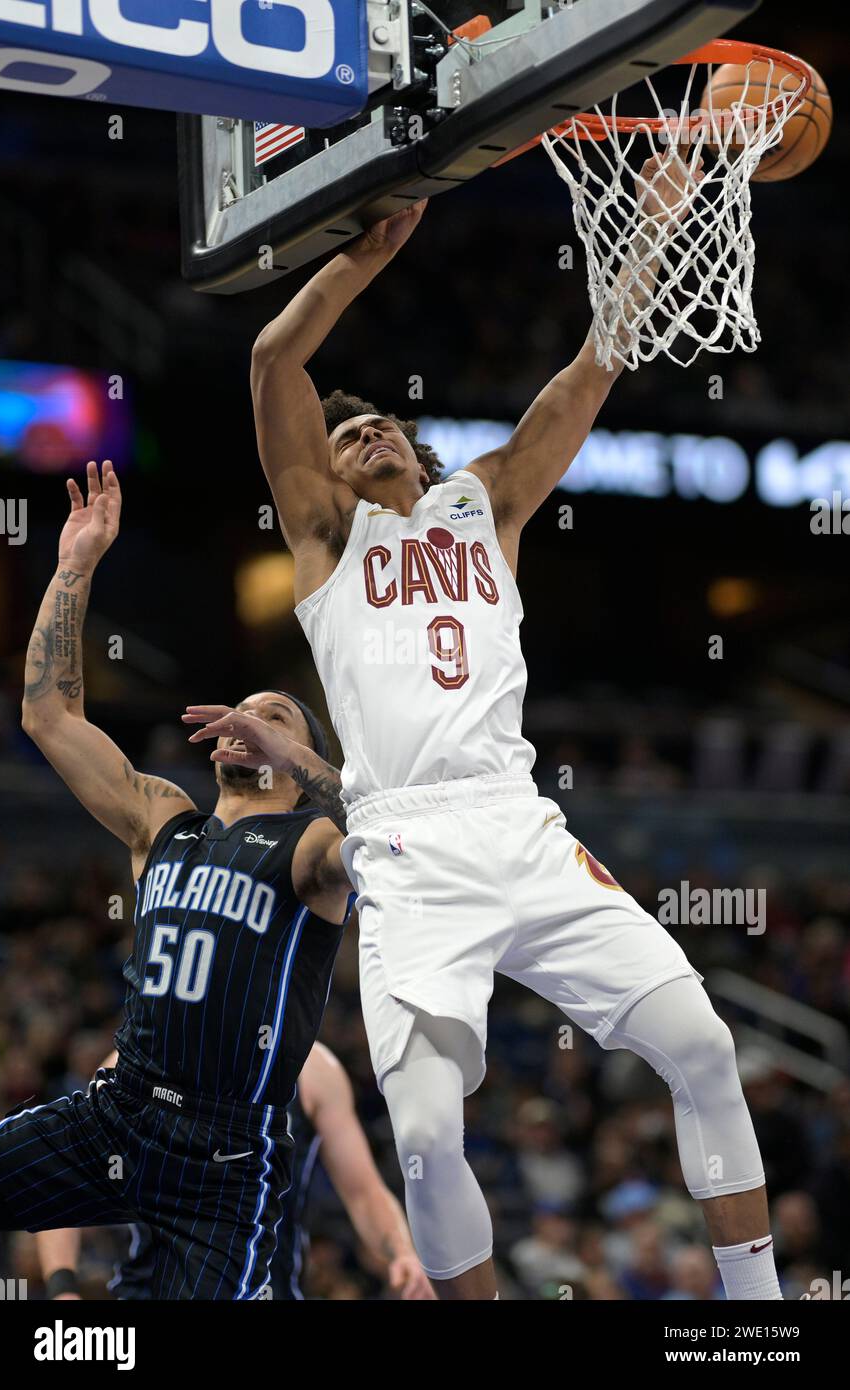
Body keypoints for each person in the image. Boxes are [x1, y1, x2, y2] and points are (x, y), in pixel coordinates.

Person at [238, 155, 782, 1301]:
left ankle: (754, 1313)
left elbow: (589, 371)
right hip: (404, 850)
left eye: (382, 422)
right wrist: (360, 257)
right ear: (322, 482)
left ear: (418, 448)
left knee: (703, 1045)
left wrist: (650, 230)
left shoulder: (481, 504)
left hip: (516, 819)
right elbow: (271, 358)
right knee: (429, 1129)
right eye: (344, 439)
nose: (367, 432)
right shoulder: (329, 546)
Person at [0, 462, 352, 1300]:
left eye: (275, 714)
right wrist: (74, 566)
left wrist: (296, 754)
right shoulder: (164, 820)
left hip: (224, 1161)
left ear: (298, 759)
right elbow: (48, 715)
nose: (248, 721)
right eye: (243, 710)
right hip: (118, 1112)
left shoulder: (311, 848)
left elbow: (387, 832)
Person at [37, 1043, 433, 1301]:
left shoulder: (312, 1070)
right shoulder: (135, 1063)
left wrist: (403, 1254)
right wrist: (62, 1288)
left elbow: (364, 1193)